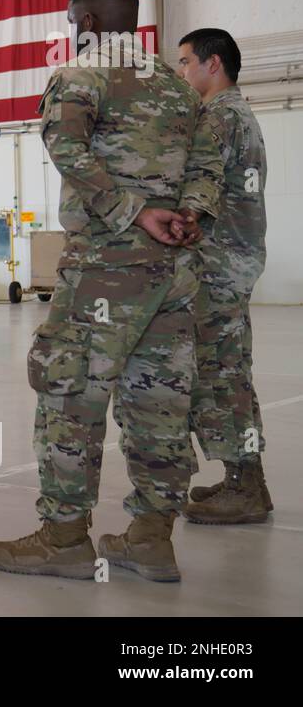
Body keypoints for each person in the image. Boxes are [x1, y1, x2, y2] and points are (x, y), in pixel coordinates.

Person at [0, 0, 223, 582]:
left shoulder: (81, 73)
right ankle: (151, 538)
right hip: (175, 270)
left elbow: (66, 147)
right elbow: (207, 163)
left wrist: (131, 212)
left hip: (104, 270)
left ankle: (63, 538)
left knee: (70, 395)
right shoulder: (177, 85)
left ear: (86, 22)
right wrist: (190, 216)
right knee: (161, 401)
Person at [175, 28, 272, 524]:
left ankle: (246, 483)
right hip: (231, 262)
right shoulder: (237, 113)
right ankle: (243, 478)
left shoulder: (218, 118)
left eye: (186, 62)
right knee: (230, 371)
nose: (181, 72)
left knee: (223, 375)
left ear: (214, 64)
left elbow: (188, 185)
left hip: (218, 265)